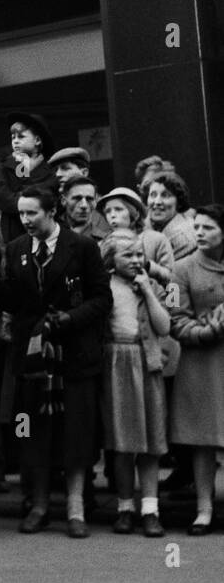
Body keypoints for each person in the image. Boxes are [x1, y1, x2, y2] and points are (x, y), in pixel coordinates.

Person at [0, 184, 111, 538]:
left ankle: (75, 507)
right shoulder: (15, 250)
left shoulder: (83, 247)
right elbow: (16, 302)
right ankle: (39, 505)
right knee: (32, 433)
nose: (25, 220)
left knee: (76, 433)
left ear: (51, 212)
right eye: (22, 213)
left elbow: (102, 299)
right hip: (31, 362)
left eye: (32, 213)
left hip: (73, 357)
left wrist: (71, 319)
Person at [99, 230, 171, 537]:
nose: (136, 260)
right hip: (117, 363)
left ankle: (150, 509)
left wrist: (148, 291)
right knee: (124, 443)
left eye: (139, 254)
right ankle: (125, 507)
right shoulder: (104, 287)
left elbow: (164, 326)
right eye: (127, 255)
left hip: (147, 361)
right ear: (111, 260)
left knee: (151, 443)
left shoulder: (150, 285)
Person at [168, 204, 224, 535]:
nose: (200, 233)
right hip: (202, 362)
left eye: (208, 228)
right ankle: (204, 510)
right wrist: (208, 331)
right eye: (197, 227)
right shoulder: (181, 269)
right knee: (203, 440)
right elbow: (175, 319)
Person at [0, 112, 56, 247]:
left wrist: (18, 196)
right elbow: (0, 197)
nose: (15, 140)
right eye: (13, 137)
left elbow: (48, 195)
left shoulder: (50, 170)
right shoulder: (4, 167)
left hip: (44, 235)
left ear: (37, 140)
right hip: (14, 236)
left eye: (21, 136)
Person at [143, 170, 196, 261]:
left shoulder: (185, 237)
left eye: (165, 195)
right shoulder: (148, 225)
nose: (157, 202)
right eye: (153, 195)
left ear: (179, 202)